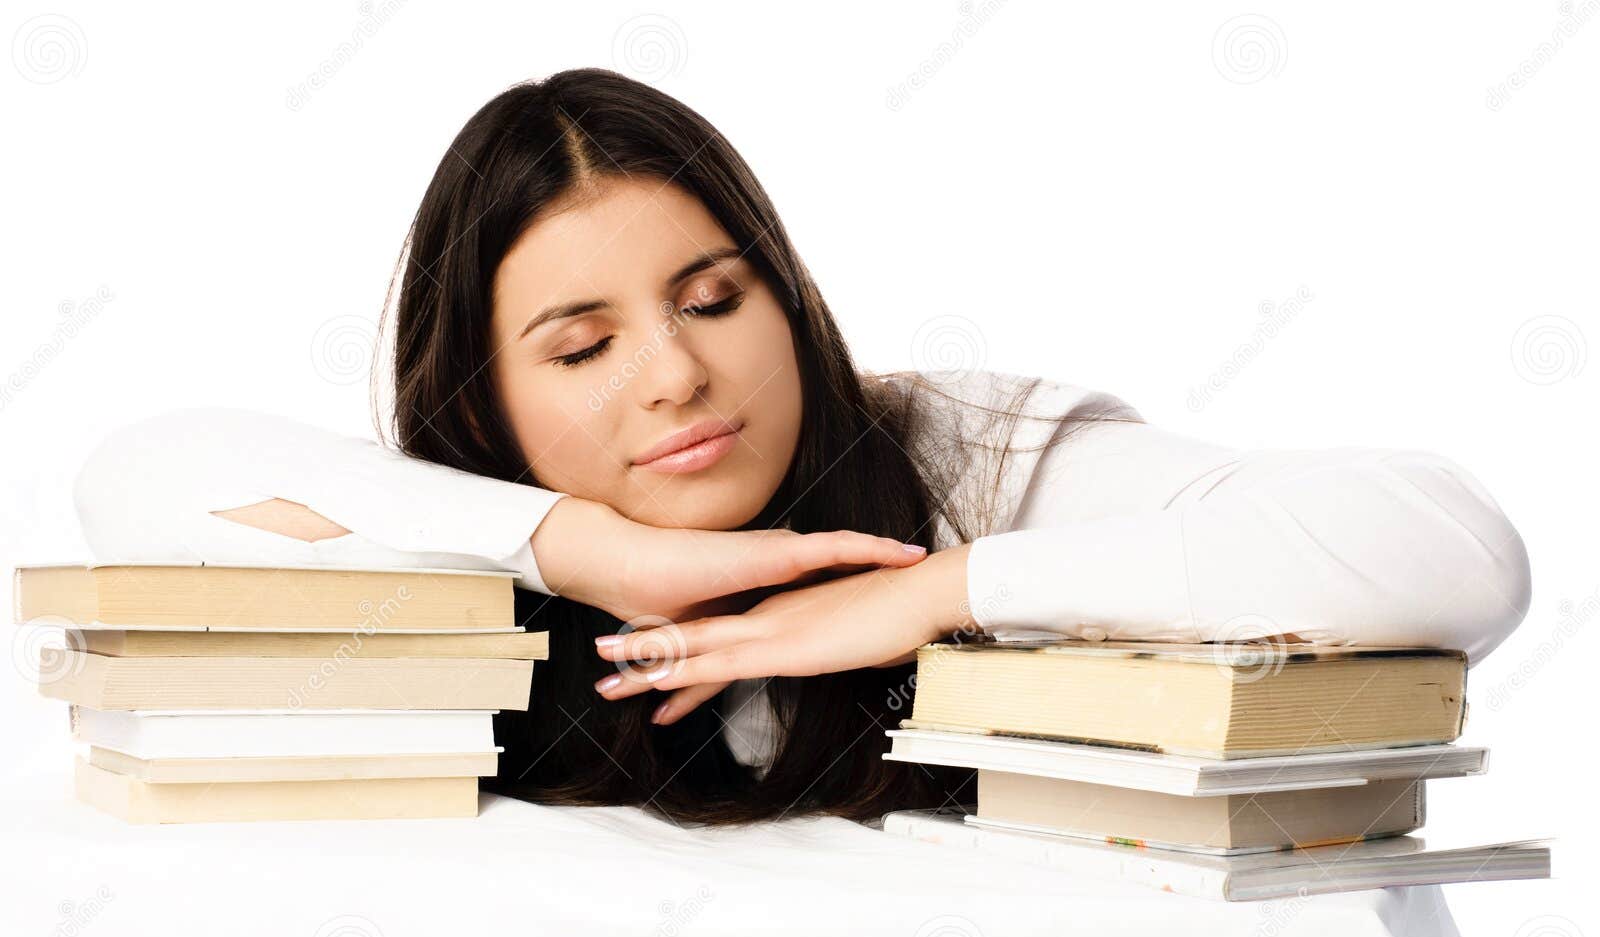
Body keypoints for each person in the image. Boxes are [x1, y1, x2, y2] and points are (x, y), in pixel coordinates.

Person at [72, 69, 1531, 826]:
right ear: (487, 405)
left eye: (714, 300)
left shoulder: (959, 453)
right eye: (583, 347)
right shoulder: (470, 518)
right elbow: (129, 474)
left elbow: (1452, 546)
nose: (679, 374)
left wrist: (919, 597)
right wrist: (588, 550)